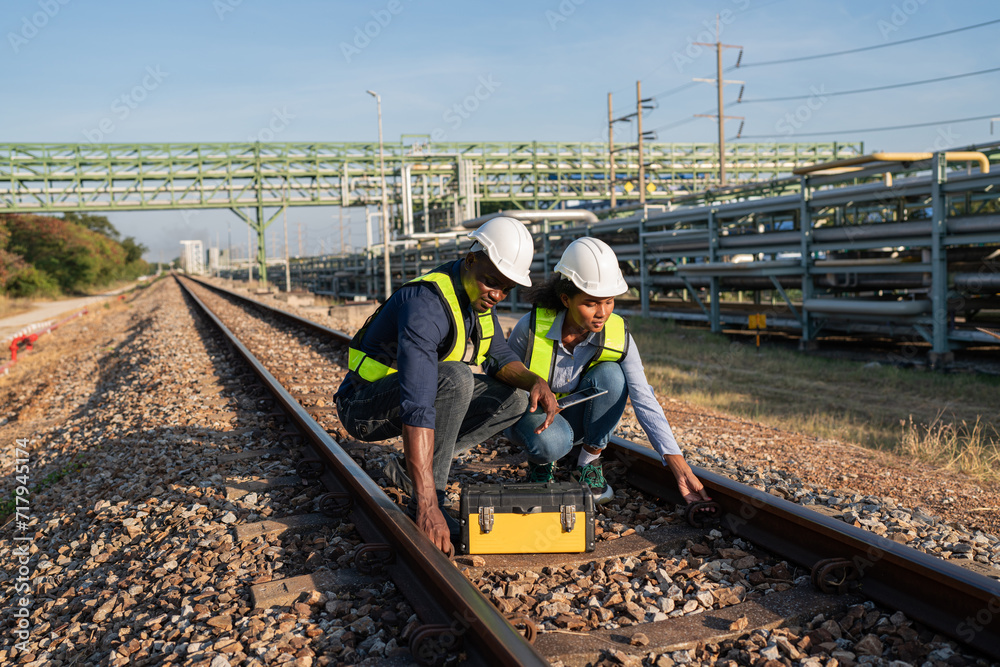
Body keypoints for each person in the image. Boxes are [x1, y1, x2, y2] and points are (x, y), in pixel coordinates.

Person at [335, 216, 559, 553]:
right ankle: (425, 494)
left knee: (514, 398)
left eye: (506, 288)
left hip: (405, 399)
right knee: (456, 378)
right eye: (491, 282)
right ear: (471, 259)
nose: (498, 294)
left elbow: (497, 354)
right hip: (364, 407)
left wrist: (534, 381)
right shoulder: (425, 305)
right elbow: (417, 405)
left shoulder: (477, 295)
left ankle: (413, 472)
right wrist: (429, 507)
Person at [504, 236, 710, 507]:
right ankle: (541, 463)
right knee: (552, 443)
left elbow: (643, 398)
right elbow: (503, 382)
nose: (603, 312)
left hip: (574, 417)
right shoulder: (529, 329)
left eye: (609, 301)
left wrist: (678, 464)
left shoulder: (617, 334)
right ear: (566, 299)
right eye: (591, 303)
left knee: (613, 375)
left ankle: (587, 465)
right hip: (534, 418)